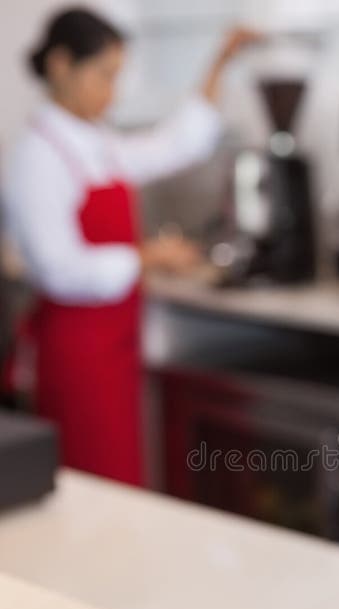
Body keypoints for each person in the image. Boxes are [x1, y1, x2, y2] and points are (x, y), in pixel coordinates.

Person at [4, 7, 256, 486]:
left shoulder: (95, 139)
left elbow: (174, 145)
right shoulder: (37, 155)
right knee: (90, 485)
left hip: (117, 344)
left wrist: (219, 63)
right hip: (75, 353)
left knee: (123, 481)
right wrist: (149, 256)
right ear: (61, 65)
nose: (111, 92)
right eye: (104, 75)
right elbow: (59, 268)